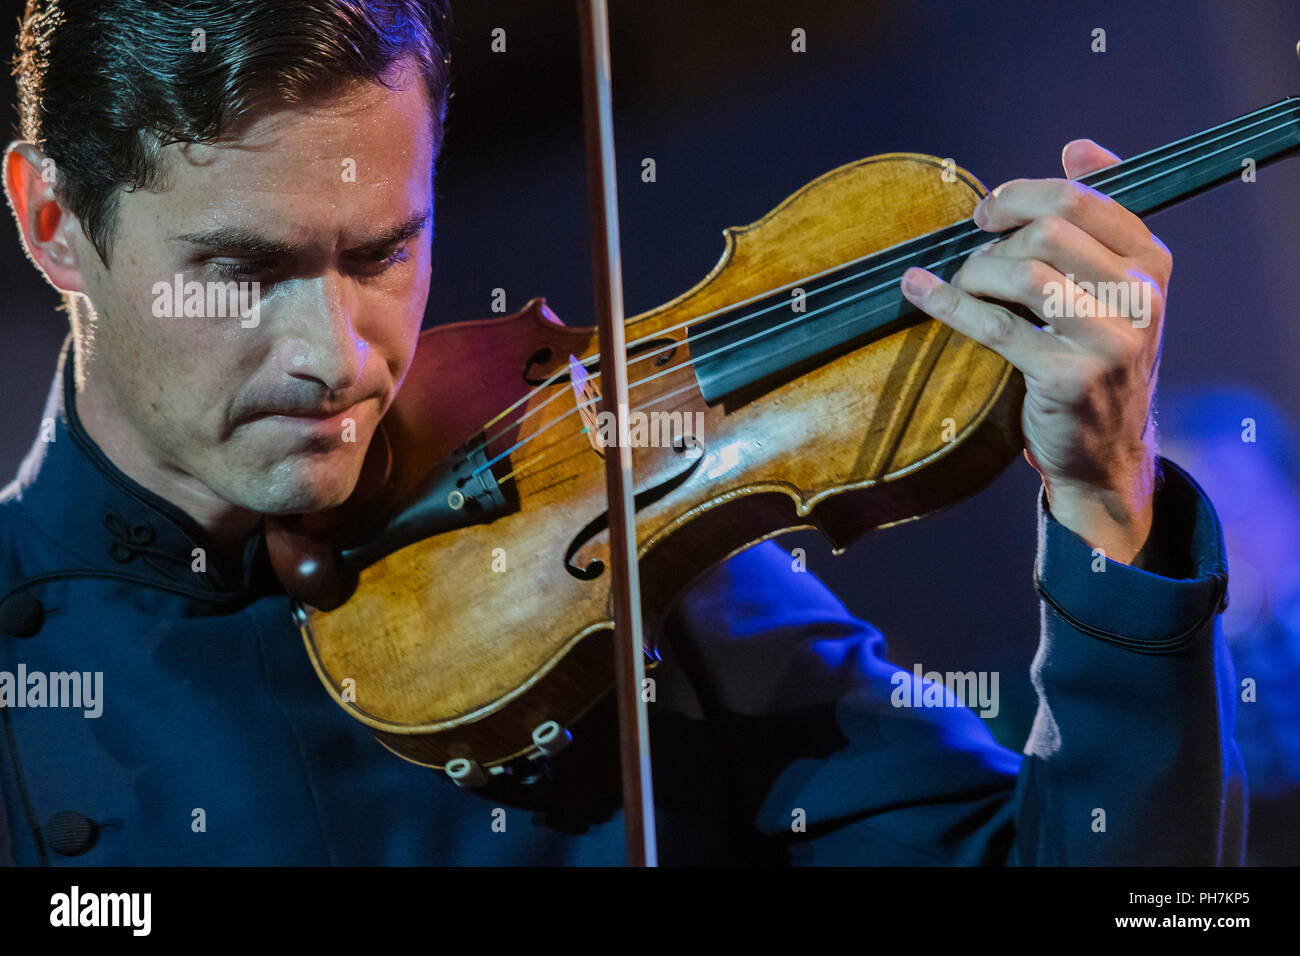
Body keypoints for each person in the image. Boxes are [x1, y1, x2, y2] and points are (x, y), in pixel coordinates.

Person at [0, 0, 1244, 865]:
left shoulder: (597, 512)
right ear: (53, 219)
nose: (338, 354)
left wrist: (1105, 503)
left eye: (385, 252)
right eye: (240, 269)